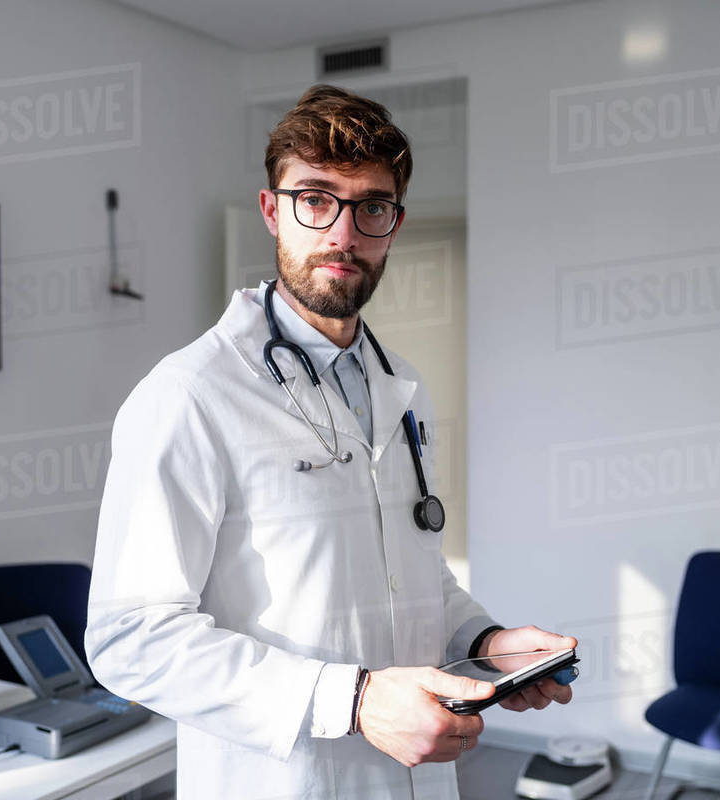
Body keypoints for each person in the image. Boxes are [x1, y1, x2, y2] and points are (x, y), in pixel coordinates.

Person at [85, 84, 576, 800]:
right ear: (271, 212)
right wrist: (352, 699)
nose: (343, 234)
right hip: (284, 780)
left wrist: (482, 642)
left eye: (371, 207)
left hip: (419, 775)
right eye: (315, 199)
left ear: (394, 224)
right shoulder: (189, 394)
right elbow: (130, 638)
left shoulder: (399, 387)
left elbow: (408, 573)